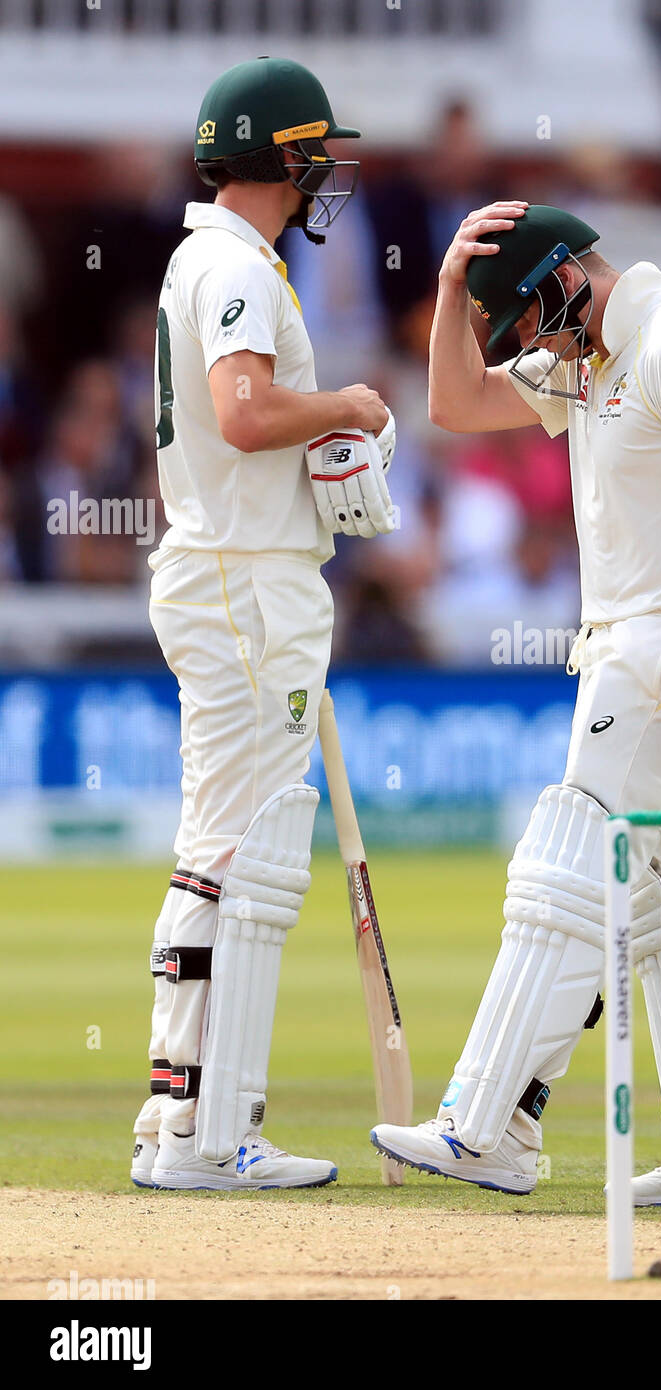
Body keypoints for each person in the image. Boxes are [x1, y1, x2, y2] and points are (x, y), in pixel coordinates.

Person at [372, 202, 661, 1207]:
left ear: (566, 276)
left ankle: (488, 1123)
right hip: (617, 653)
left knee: (565, 866)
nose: (523, 343)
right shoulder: (587, 363)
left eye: (523, 316)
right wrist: (445, 294)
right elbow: (456, 404)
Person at [131, 57, 396, 1190]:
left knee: (214, 848)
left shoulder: (205, 258)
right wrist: (347, 405)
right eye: (314, 151)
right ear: (281, 156)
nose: (324, 170)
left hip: (227, 571)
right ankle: (212, 1132)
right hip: (245, 576)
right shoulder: (234, 265)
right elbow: (244, 415)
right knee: (253, 851)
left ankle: (175, 1112)